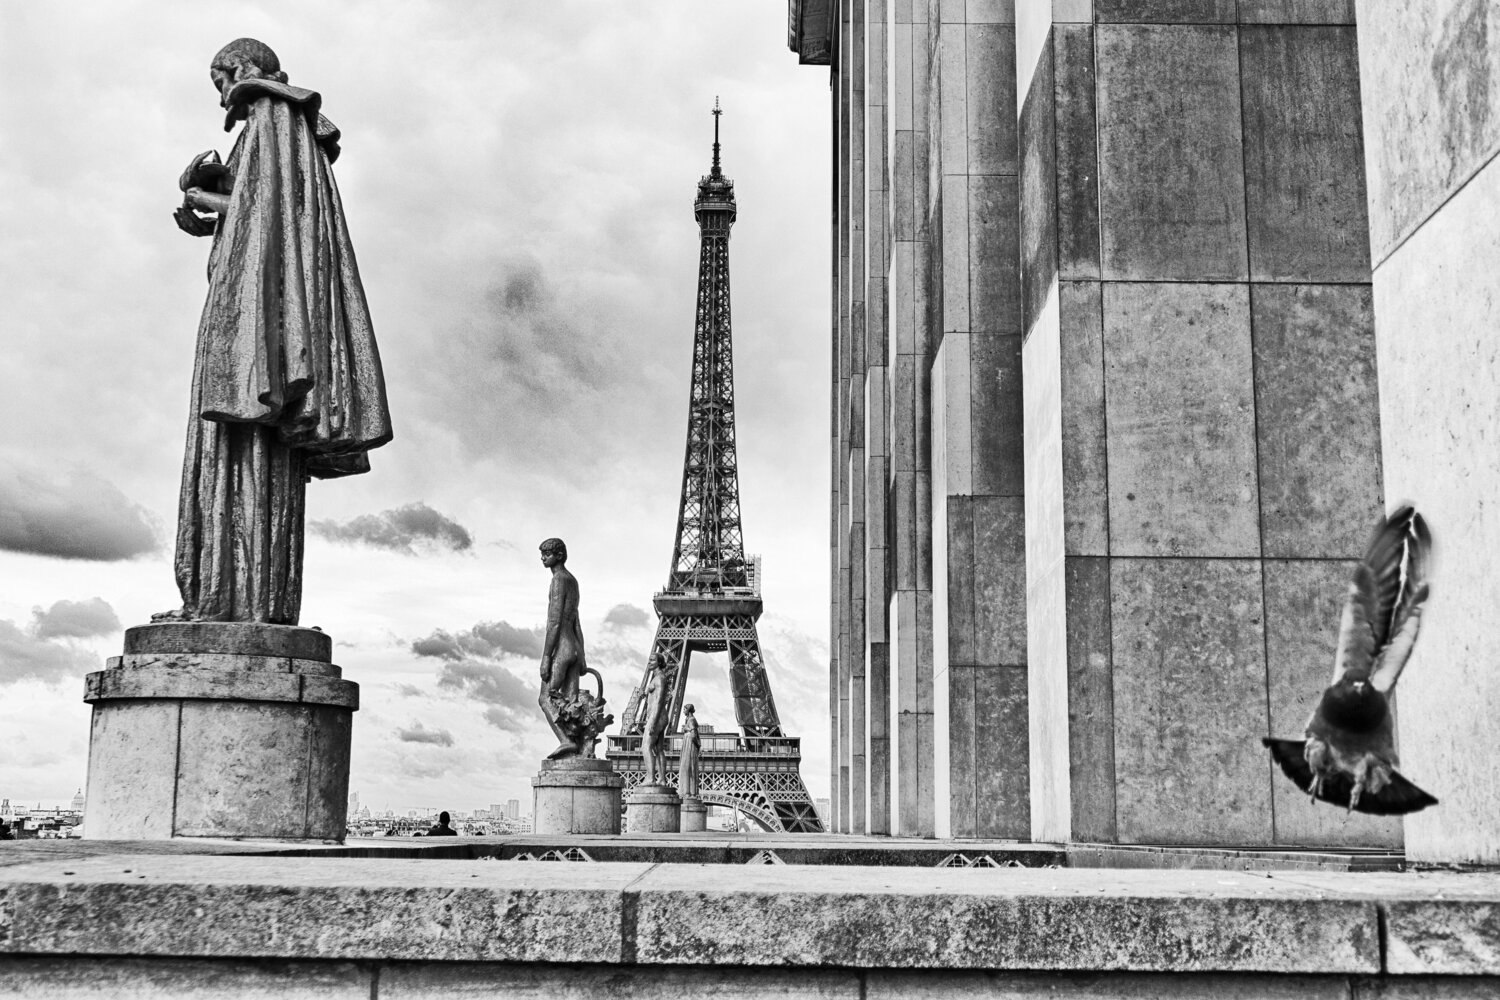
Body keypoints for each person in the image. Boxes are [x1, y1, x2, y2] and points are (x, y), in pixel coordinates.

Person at [158, 37, 392, 624]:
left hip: (258, 322)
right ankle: (248, 598)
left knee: (241, 444)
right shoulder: (289, 126)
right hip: (263, 310)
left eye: (219, 83)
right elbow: (265, 215)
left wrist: (197, 194)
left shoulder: (271, 116)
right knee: (251, 449)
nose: (222, 100)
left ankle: (228, 600)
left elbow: (262, 218)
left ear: (239, 69)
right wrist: (207, 206)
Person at [538, 538, 587, 757]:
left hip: (563, 646)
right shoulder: (573, 580)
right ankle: (577, 751)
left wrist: (547, 656)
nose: (543, 558)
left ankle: (566, 740)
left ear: (559, 555)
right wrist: (582, 655)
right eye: (542, 554)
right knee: (571, 703)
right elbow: (576, 620)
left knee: (545, 697)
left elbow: (555, 622)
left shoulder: (558, 580)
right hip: (575, 646)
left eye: (547, 554)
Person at [641, 654, 669, 785]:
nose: (649, 662)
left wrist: (652, 721)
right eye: (649, 659)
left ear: (659, 662)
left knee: (646, 746)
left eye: (652, 660)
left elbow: (658, 701)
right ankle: (662, 779)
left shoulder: (660, 678)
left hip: (656, 716)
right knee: (659, 749)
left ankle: (650, 778)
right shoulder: (658, 678)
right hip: (660, 716)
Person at [678, 703, 701, 799]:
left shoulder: (691, 720)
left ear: (688, 710)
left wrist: (686, 730)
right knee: (688, 768)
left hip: (689, 745)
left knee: (687, 767)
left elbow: (693, 735)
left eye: (684, 709)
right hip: (689, 744)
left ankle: (688, 792)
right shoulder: (690, 719)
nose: (683, 711)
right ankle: (688, 792)